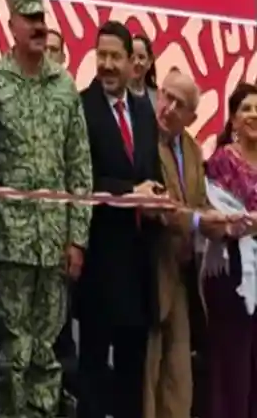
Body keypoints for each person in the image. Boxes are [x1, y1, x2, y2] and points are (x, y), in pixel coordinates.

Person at [0, 0, 93, 418]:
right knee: (15, 350)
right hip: (12, 242)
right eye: (28, 18)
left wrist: (77, 239)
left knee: (46, 349)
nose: (38, 27)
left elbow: (79, 167)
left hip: (54, 244)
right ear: (11, 25)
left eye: (42, 18)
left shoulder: (64, 85)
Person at [74, 22, 162, 418]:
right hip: (98, 262)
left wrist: (158, 196)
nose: (107, 65)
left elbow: (150, 174)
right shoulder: (80, 107)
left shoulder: (145, 114)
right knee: (92, 371)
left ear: (132, 63)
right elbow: (80, 179)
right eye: (101, 55)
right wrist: (130, 194)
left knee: (132, 375)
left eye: (115, 57)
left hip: (139, 265)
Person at [145, 69, 224, 418]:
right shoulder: (142, 140)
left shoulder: (192, 148)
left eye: (179, 104)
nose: (168, 107)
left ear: (192, 116)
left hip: (182, 277)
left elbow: (199, 201)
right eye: (166, 96)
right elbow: (162, 206)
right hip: (148, 274)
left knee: (179, 380)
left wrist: (223, 223)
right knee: (147, 379)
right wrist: (198, 219)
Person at [202, 83, 257, 418]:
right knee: (233, 367)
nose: (254, 115)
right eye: (246, 109)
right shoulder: (222, 161)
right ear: (233, 121)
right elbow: (222, 218)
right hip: (231, 273)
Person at [129, 34, 157, 100]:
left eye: (141, 57)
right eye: (132, 57)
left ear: (150, 61)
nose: (136, 62)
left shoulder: (156, 98)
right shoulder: (117, 94)